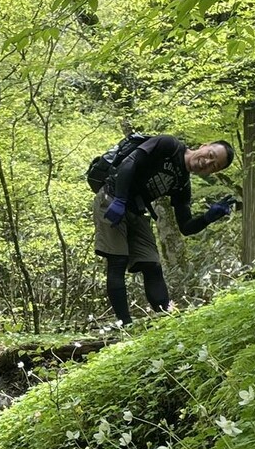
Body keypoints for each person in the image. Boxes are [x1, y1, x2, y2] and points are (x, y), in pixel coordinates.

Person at [92, 136, 236, 325]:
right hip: (111, 196)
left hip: (136, 209)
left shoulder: (182, 185)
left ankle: (168, 321)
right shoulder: (169, 145)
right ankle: (124, 326)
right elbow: (130, 161)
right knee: (118, 260)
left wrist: (208, 217)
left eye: (214, 166)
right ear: (204, 145)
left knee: (152, 265)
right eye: (210, 155)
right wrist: (119, 199)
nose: (207, 162)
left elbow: (185, 227)